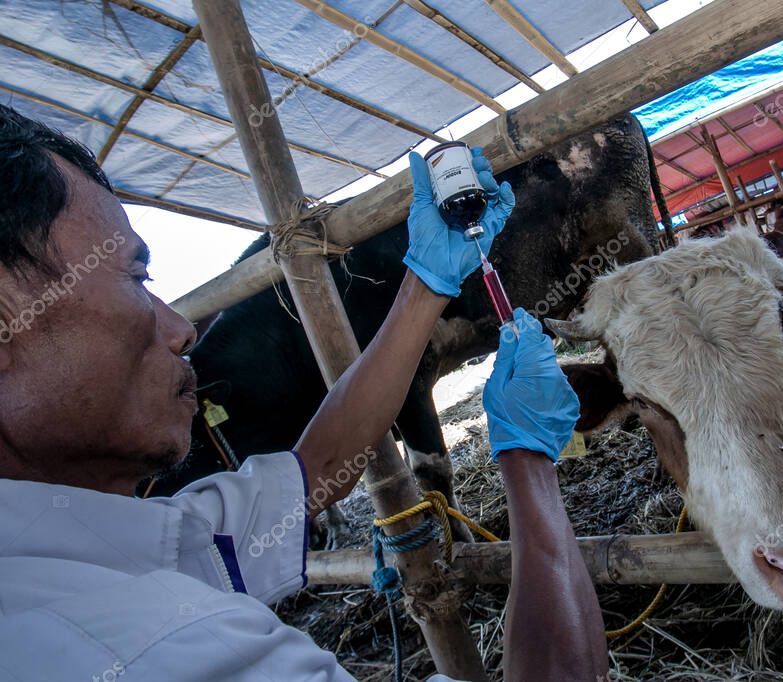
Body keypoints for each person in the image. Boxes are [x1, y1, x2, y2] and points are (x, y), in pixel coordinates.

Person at [0, 104, 607, 681]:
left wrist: (427, 281)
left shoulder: (75, 553)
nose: (182, 329)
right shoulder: (156, 652)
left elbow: (314, 467)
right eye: (135, 277)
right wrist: (528, 462)